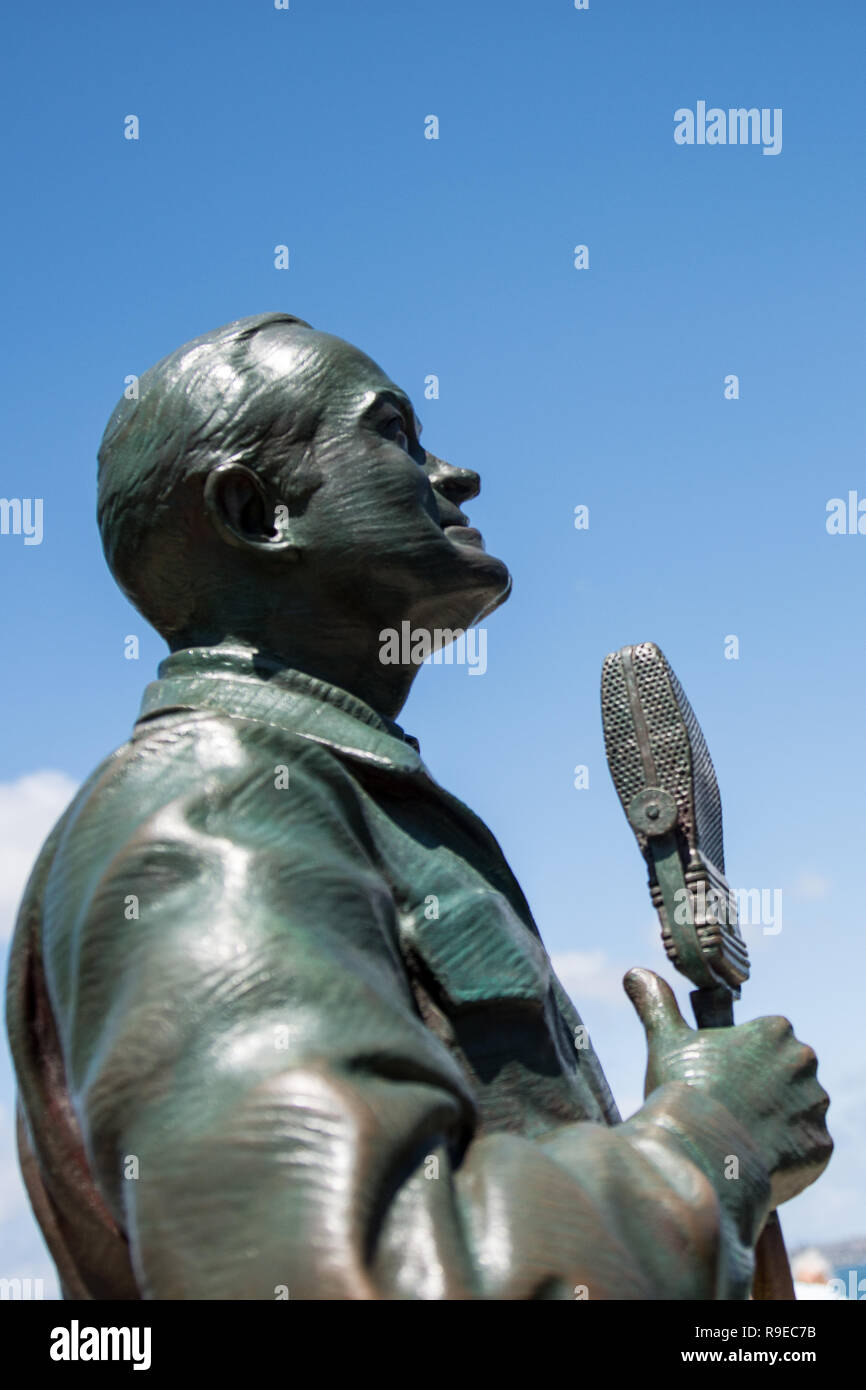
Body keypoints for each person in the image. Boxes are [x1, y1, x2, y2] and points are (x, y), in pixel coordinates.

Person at [6, 313, 832, 1299]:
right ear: (256, 509)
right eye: (392, 430)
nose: (456, 473)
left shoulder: (337, 792)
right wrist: (706, 1145)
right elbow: (339, 1278)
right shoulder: (207, 802)